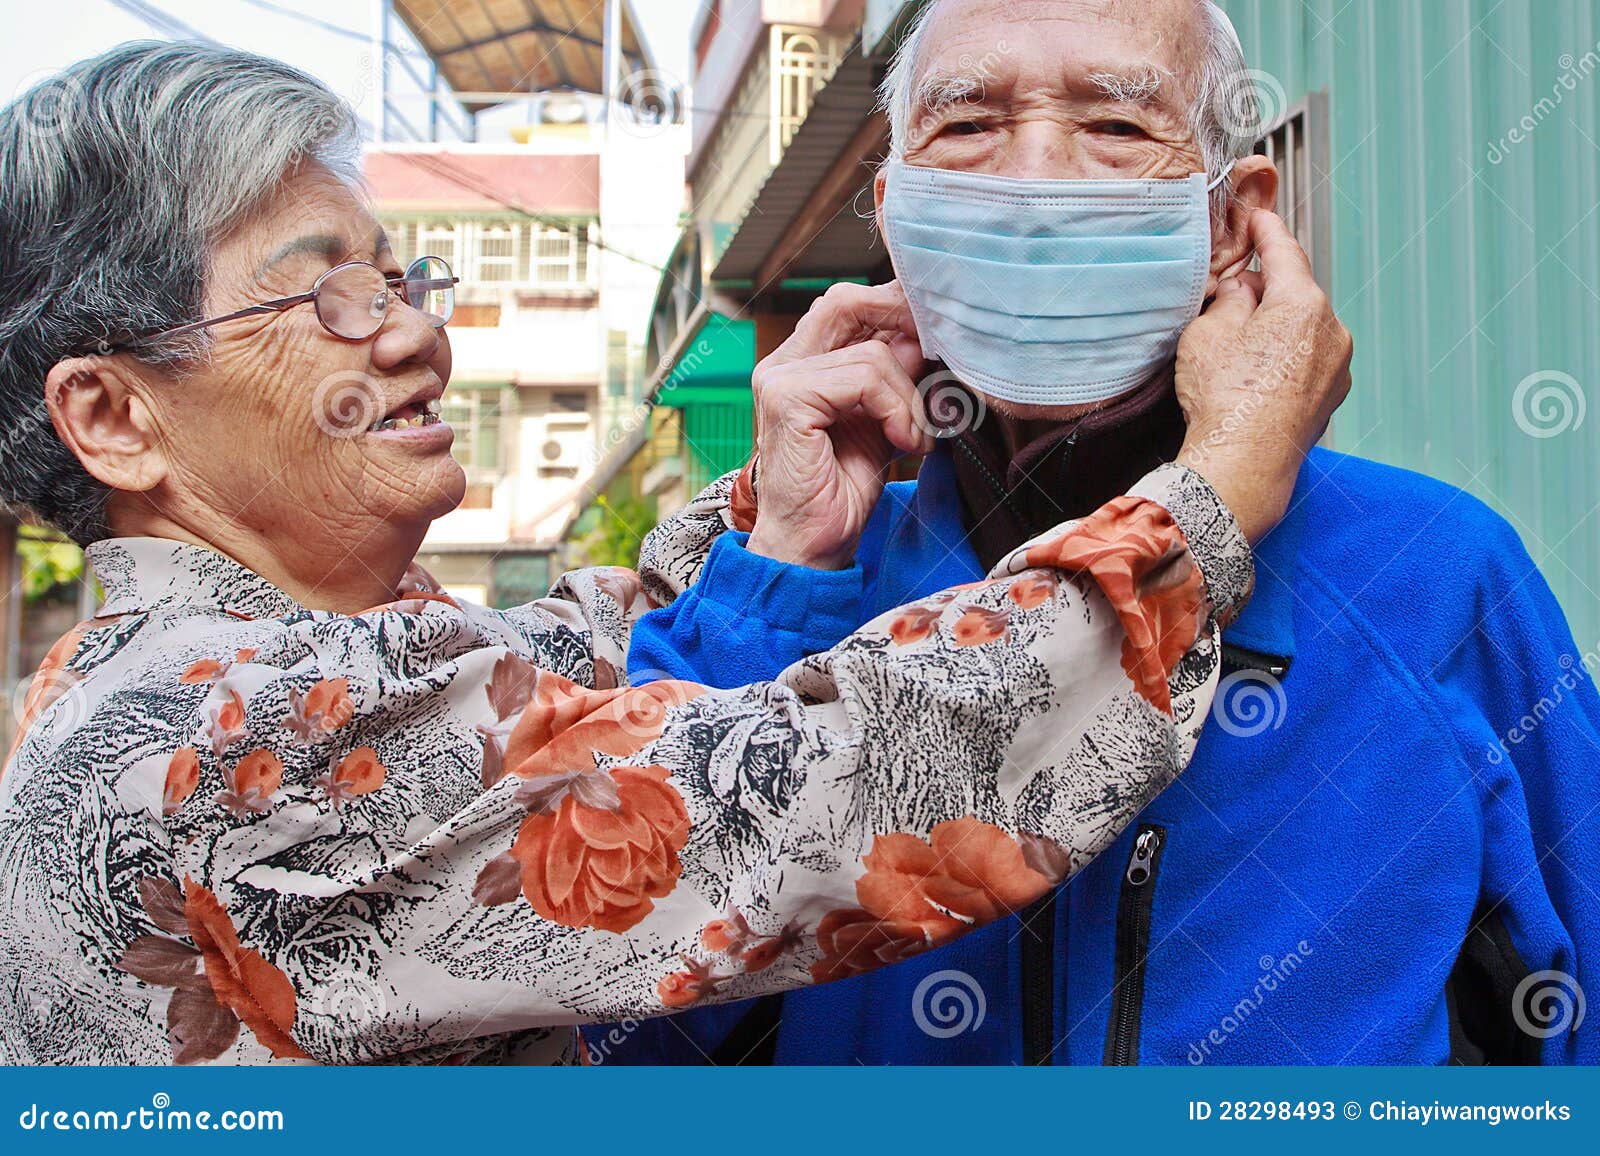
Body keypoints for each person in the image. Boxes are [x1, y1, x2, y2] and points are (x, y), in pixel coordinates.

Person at [0, 40, 1338, 1065]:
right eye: (330, 296)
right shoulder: (220, 726)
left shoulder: (180, 675)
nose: (412, 334)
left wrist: (772, 520)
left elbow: (559, 678)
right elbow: (811, 800)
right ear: (114, 418)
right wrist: (1211, 495)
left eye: (402, 281)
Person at [603, 0, 1598, 1065]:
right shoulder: (787, 578)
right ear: (892, 214)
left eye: (1119, 127)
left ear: (1230, 220)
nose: (1034, 180)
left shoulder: (1431, 572)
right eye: (968, 124)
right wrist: (777, 576)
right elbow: (623, 1016)